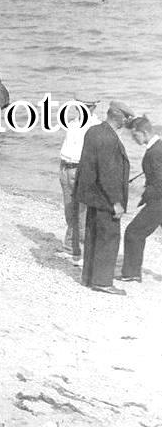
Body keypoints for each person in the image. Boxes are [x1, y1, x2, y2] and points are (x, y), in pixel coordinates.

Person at [75, 101, 133, 295]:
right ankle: (102, 282)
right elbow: (108, 174)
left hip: (92, 195)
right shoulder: (109, 139)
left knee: (93, 235)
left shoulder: (94, 131)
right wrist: (116, 202)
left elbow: (90, 167)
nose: (127, 122)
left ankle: (88, 277)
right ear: (119, 117)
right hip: (106, 198)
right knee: (109, 237)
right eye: (126, 118)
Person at [121, 116, 162, 283]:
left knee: (133, 233)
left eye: (135, 135)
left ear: (144, 132)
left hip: (158, 202)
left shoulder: (155, 152)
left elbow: (159, 182)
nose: (133, 139)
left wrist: (147, 198)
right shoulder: (158, 147)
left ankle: (131, 274)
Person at [58, 98, 98, 264]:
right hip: (65, 167)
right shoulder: (73, 123)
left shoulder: (96, 127)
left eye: (87, 106)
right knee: (69, 210)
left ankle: (81, 252)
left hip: (81, 170)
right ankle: (69, 247)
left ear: (94, 107)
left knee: (82, 213)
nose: (83, 109)